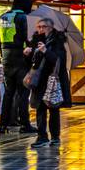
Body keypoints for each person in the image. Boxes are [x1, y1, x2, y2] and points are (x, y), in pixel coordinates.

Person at [26, 17, 71, 148]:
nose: (40, 29)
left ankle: (55, 136)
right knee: (40, 108)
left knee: (53, 107)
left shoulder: (58, 41)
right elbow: (31, 63)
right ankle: (42, 136)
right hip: (39, 80)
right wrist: (28, 54)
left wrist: (46, 51)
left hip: (53, 79)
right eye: (38, 27)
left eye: (43, 27)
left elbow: (59, 60)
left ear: (51, 28)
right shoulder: (35, 41)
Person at [0, 0, 36, 135]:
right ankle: (25, 124)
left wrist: (3, 55)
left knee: (8, 93)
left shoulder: (3, 17)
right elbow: (28, 38)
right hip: (20, 58)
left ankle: (3, 125)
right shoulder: (23, 18)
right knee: (23, 93)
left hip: (6, 58)